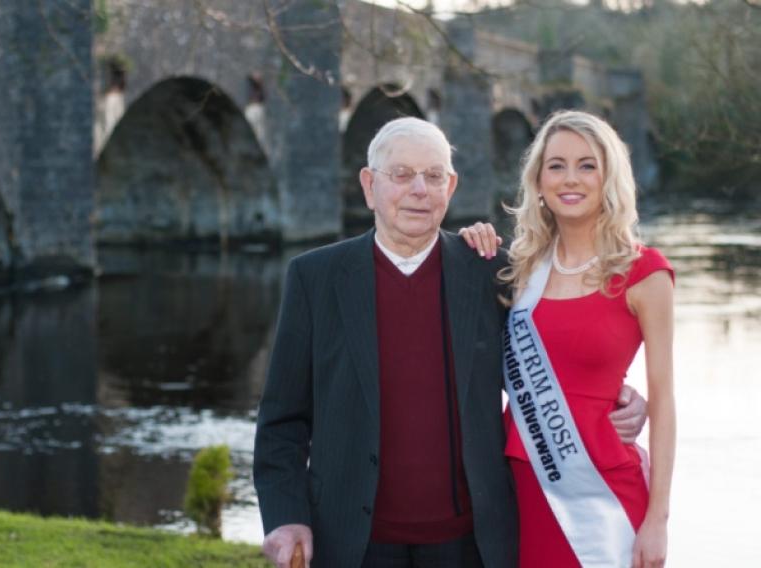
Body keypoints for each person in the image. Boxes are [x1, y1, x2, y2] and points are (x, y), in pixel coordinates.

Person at [253, 117, 648, 568]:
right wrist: (285, 517)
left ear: (451, 185)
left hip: (471, 544)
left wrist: (619, 398)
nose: (419, 189)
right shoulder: (314, 278)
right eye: (401, 175)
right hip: (350, 543)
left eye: (434, 175)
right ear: (369, 185)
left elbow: (554, 362)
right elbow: (282, 420)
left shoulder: (492, 271)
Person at [462, 110, 675, 568]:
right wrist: (467, 239)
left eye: (587, 164)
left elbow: (664, 402)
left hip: (604, 493)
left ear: (609, 177)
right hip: (517, 485)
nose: (570, 179)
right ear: (538, 180)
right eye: (556, 165)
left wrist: (658, 519)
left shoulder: (644, 274)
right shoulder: (515, 270)